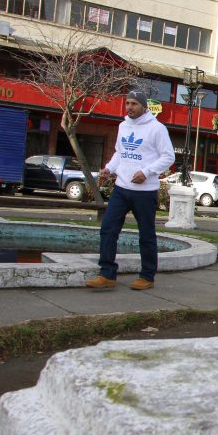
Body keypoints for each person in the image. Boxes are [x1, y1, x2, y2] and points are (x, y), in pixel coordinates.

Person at [86, 89, 174, 290]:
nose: (130, 107)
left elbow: (168, 156)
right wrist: (109, 168)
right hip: (121, 187)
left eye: (134, 104)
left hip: (144, 192)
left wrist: (147, 171)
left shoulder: (157, 129)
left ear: (144, 106)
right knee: (108, 228)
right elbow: (120, 153)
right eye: (127, 103)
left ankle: (147, 276)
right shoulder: (123, 126)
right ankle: (107, 274)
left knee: (146, 234)